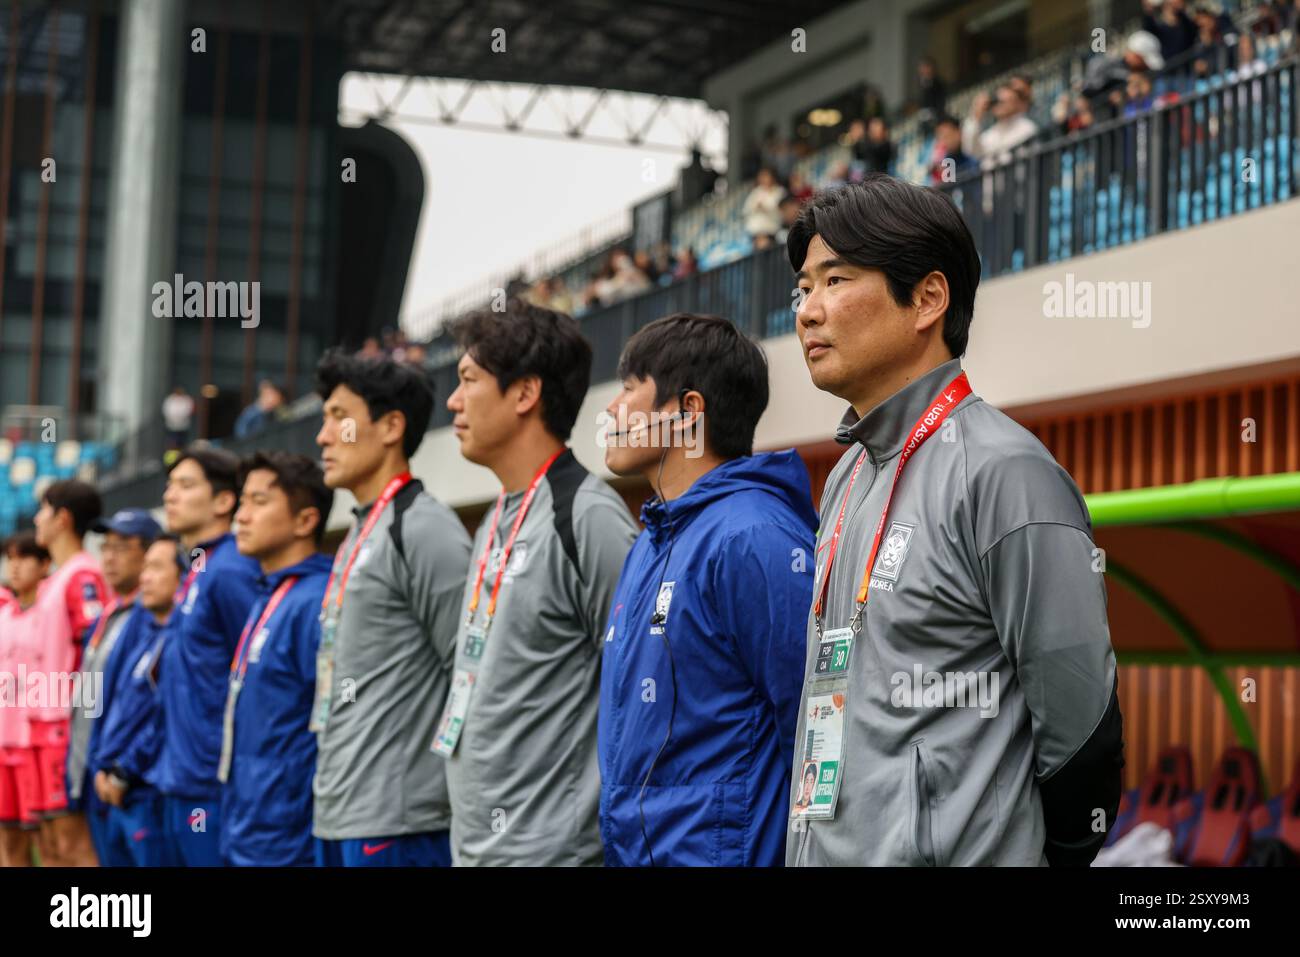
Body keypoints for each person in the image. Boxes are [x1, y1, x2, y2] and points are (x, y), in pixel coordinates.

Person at [786, 175, 1123, 866]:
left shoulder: (1005, 473)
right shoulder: (847, 476)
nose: (807, 311)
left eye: (834, 280)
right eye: (802, 288)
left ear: (928, 299)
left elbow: (1082, 729)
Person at [597, 313, 816, 866]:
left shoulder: (756, 536)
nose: (610, 410)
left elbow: (815, 727)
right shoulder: (650, 540)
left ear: (688, 412)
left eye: (628, 389)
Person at [439, 299, 638, 866]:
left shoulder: (586, 518)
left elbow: (638, 685)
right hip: (476, 847)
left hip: (552, 853)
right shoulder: (494, 520)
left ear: (525, 394)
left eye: (468, 380)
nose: (453, 401)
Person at [312, 350, 471, 868]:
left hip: (402, 822)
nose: (323, 435)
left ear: (390, 427)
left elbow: (470, 671)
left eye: (340, 418)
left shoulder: (422, 528)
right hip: (343, 811)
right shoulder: (361, 530)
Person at [149, 447, 262, 866]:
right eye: (169, 485)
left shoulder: (232, 569)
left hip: (211, 783)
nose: (170, 495)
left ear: (223, 501)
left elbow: (254, 673)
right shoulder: (198, 566)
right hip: (179, 776)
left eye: (185, 485)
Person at [220, 453, 333, 867]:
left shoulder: (315, 601)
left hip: (288, 835)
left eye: (259, 502)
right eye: (242, 501)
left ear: (305, 521)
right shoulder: (270, 594)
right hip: (248, 822)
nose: (241, 516)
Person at [69, 508, 161, 864]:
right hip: (97, 778)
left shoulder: (152, 615)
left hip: (132, 786)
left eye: (122, 546)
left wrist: (124, 767)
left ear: (149, 551)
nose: (109, 556)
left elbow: (152, 703)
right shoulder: (107, 615)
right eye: (105, 546)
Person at [29, 480, 108, 866]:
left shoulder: (83, 577)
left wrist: (82, 720)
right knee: (54, 846)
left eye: (41, 510)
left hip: (64, 727)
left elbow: (97, 657)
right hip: (43, 726)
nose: (34, 520)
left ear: (62, 519)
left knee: (76, 845)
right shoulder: (55, 580)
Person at [93, 535, 182, 866]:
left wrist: (123, 771)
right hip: (115, 789)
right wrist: (102, 767)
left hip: (143, 790)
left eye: (156, 568)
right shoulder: (146, 636)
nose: (145, 577)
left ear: (183, 577)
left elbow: (161, 717)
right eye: (144, 567)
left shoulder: (179, 640)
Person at [0, 533, 51, 866]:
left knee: (47, 840)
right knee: (8, 836)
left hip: (36, 741)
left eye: (24, 558)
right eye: (10, 559)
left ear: (45, 563)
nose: (15, 567)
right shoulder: (6, 614)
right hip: (4, 742)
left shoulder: (50, 612)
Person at [962, 84, 1038, 164]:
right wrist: (975, 117)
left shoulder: (1027, 127)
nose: (1000, 105)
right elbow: (970, 150)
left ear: (1018, 104)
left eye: (1006, 100)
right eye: (998, 101)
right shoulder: (990, 135)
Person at [743, 168, 787, 246]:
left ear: (772, 177)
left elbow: (782, 211)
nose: (763, 179)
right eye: (761, 176)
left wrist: (765, 207)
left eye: (765, 176)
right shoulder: (756, 192)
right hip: (755, 232)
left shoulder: (780, 191)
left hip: (771, 230)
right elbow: (746, 210)